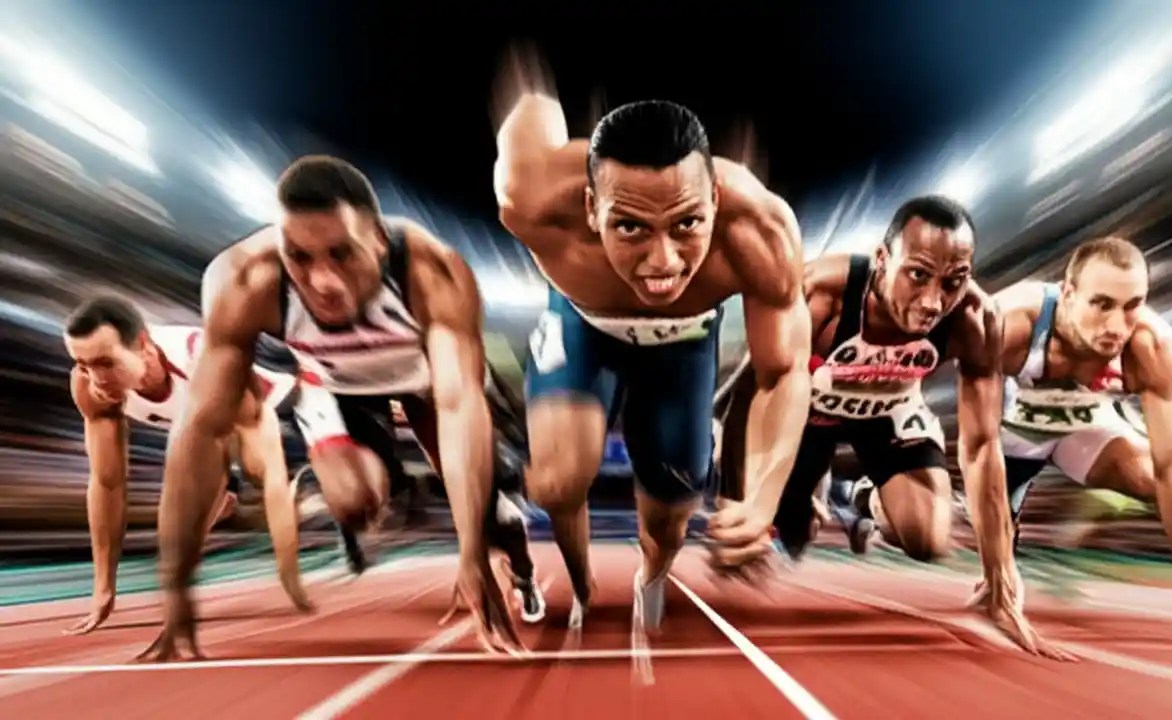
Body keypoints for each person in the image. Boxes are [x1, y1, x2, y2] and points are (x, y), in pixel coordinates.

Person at [137, 155, 523, 661]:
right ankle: (388, 482)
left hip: (427, 379)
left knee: (484, 496)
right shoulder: (245, 279)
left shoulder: (433, 271)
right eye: (300, 257)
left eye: (342, 255)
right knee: (353, 503)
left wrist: (470, 553)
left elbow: (456, 406)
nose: (322, 282)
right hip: (339, 382)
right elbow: (200, 430)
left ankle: (502, 519)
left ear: (379, 242)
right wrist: (176, 587)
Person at [493, 47, 812, 633]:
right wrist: (532, 90)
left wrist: (762, 500)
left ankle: (653, 574)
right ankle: (580, 580)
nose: (662, 263)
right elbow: (528, 112)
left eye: (687, 224)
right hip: (583, 322)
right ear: (591, 209)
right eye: (631, 227)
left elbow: (784, 372)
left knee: (669, 518)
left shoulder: (759, 232)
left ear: (716, 199)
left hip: (684, 343)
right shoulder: (531, 198)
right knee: (560, 482)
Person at [718, 196, 1067, 658]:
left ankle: (859, 496)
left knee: (926, 539)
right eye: (918, 275)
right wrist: (742, 499)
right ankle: (818, 495)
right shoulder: (820, 291)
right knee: (793, 534)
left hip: (889, 411)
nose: (932, 302)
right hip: (805, 411)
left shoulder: (976, 320)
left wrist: (1002, 577)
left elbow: (982, 447)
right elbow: (758, 388)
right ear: (883, 261)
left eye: (953, 282)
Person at [983, 235, 1172, 647]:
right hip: (1012, 427)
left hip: (1081, 422)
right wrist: (999, 568)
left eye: (1132, 306)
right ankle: (864, 498)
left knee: (1150, 476)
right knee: (917, 531)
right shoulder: (1010, 320)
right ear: (1069, 293)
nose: (1117, 326)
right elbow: (977, 446)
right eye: (1102, 304)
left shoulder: (1152, 346)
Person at [62, 295, 311, 634]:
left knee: (258, 474)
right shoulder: (89, 389)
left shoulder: (204, 361)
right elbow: (107, 482)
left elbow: (263, 467)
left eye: (106, 363)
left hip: (287, 398)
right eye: (83, 365)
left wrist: (288, 566)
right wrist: (103, 587)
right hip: (210, 421)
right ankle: (225, 494)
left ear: (143, 346)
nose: (96, 379)